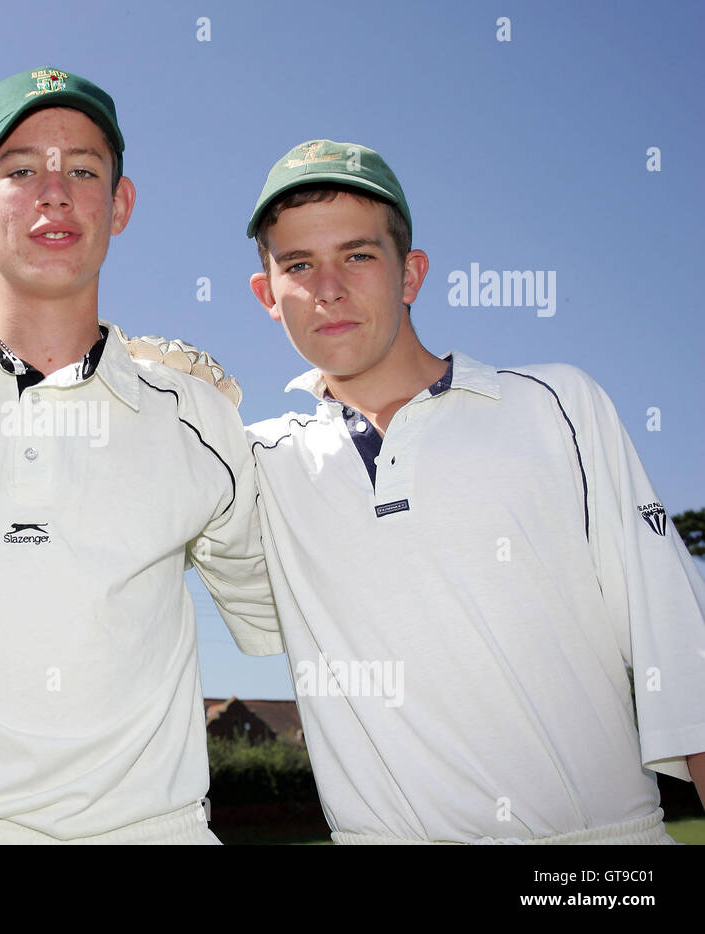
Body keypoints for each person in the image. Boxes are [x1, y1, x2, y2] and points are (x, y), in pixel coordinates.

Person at [0, 67, 280, 844]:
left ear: (120, 205)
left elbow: (285, 612)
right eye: (22, 169)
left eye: (84, 171)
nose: (55, 193)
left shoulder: (196, 416)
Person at [242, 139, 705, 843]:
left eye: (358, 255)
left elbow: (680, 647)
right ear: (267, 296)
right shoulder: (258, 459)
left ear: (411, 273)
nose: (328, 288)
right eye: (298, 265)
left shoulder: (559, 404)